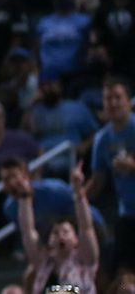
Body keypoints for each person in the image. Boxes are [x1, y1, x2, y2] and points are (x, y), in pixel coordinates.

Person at [19, 163, 98, 294]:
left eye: (66, 232)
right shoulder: (43, 263)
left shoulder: (84, 260)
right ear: (49, 241)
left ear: (76, 239)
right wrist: (24, 197)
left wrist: (78, 191)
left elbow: (86, 227)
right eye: (55, 233)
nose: (60, 236)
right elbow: (27, 231)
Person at [90, 74, 135, 274]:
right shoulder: (102, 139)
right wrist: (78, 197)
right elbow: (98, 181)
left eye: (118, 97)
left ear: (129, 101)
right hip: (127, 214)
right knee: (123, 276)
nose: (113, 103)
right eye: (108, 98)